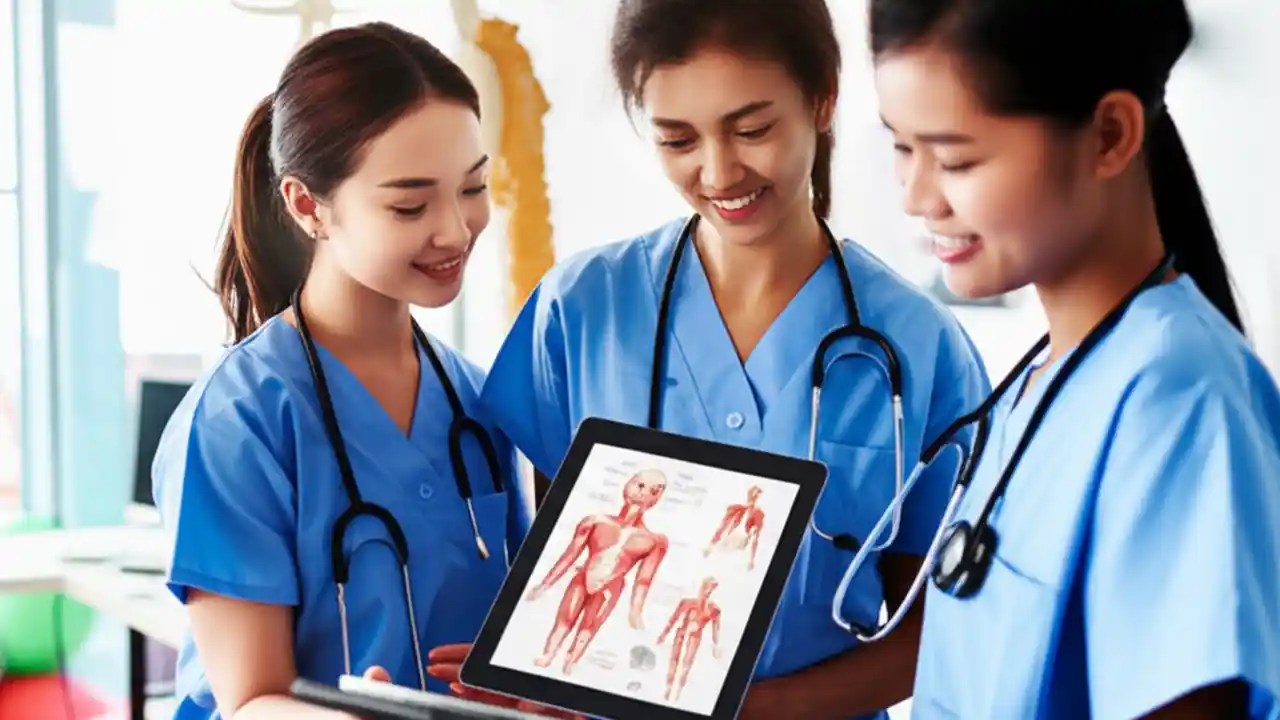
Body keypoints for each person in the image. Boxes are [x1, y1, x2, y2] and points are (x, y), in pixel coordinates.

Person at [429, 1, 991, 718]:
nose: (719, 171)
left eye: (751, 129)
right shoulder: (582, 310)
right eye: (677, 140)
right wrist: (539, 677)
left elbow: (933, 625)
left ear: (823, 98)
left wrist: (746, 712)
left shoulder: (919, 347)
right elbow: (552, 573)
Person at [868, 0, 1280, 717]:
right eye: (902, 149)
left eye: (956, 158)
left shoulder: (1178, 400)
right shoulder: (1041, 385)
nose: (916, 196)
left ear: (1110, 135)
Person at [151, 23, 533, 719]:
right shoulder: (239, 420)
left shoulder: (479, 401)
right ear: (308, 206)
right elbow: (251, 701)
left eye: (473, 187)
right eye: (410, 205)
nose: (455, 229)